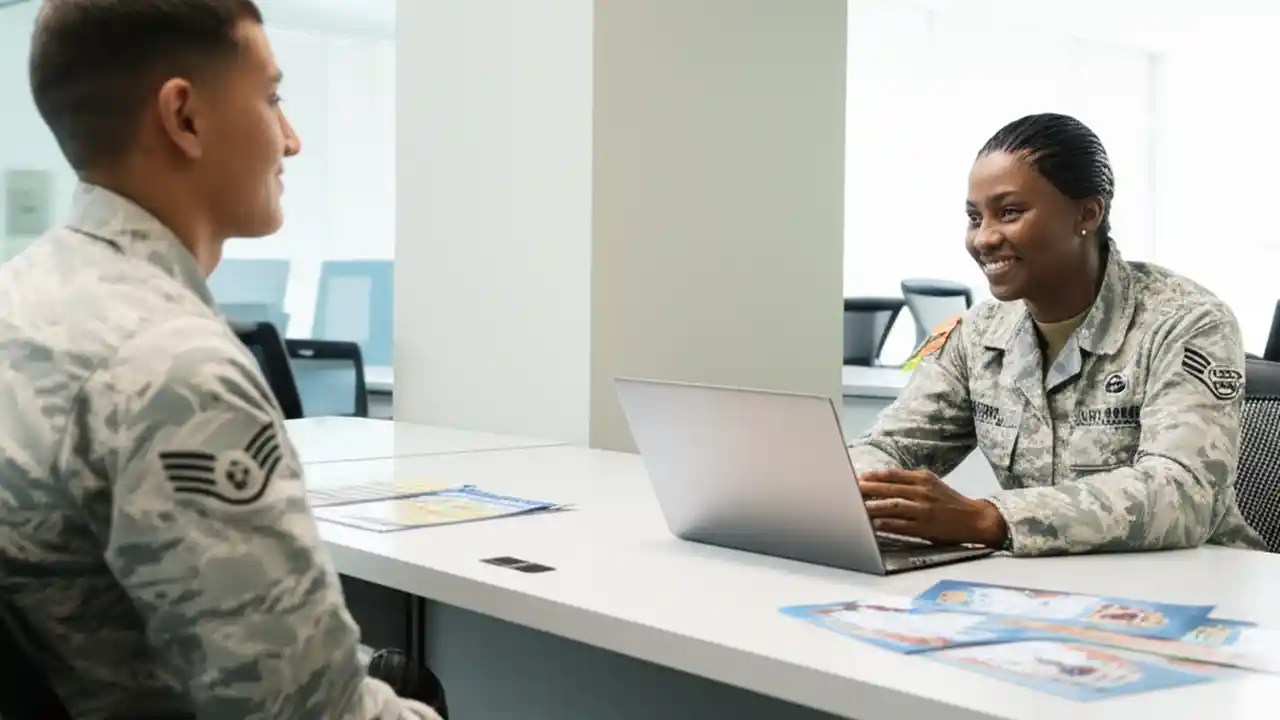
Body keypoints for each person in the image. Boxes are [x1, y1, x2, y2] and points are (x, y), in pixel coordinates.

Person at [0, 1, 441, 717]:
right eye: (271, 97)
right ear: (185, 118)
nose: (292, 140)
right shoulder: (174, 369)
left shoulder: (22, 297)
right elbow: (310, 712)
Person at [847, 113, 1266, 556]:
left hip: (1196, 588)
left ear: (1087, 213)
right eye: (974, 217)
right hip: (1045, 589)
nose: (984, 238)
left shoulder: (1186, 322)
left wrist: (991, 518)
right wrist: (853, 489)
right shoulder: (977, 335)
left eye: (1009, 213)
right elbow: (890, 446)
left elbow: (1182, 495)